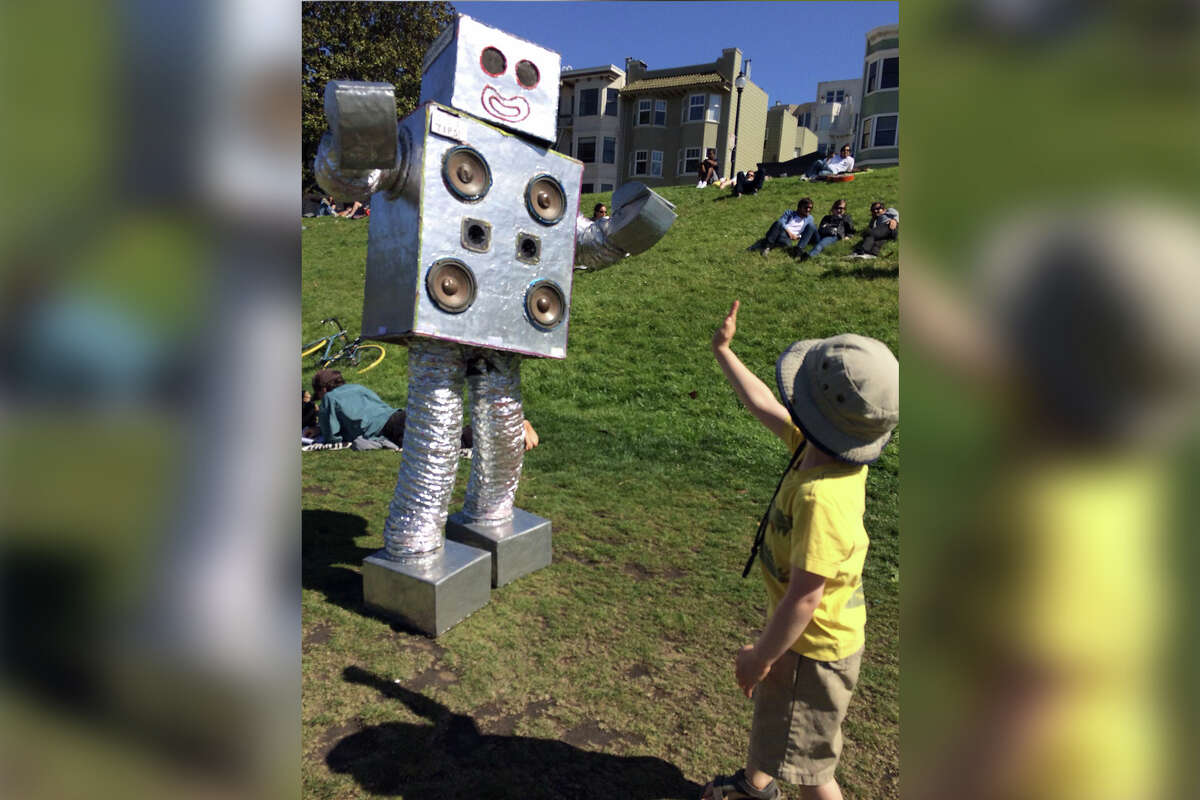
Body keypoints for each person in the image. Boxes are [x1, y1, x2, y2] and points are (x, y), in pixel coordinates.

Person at [705, 300, 899, 800]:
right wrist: (724, 352)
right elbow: (763, 404)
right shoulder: (817, 452)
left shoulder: (821, 497)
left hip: (814, 651)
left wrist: (759, 657)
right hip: (805, 643)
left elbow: (805, 599)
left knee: (812, 770)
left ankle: (759, 783)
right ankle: (755, 785)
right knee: (778, 729)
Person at [311, 369, 537, 450]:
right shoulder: (357, 387)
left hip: (391, 429)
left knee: (448, 443)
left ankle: (512, 429)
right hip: (398, 415)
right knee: (450, 435)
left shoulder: (329, 399)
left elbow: (333, 436)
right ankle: (507, 427)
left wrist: (318, 431)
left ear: (322, 389)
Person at [747, 198, 816, 257]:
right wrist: (790, 233)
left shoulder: (810, 218)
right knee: (778, 223)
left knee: (785, 243)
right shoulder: (789, 213)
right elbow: (781, 222)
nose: (808, 210)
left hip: (787, 239)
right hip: (782, 232)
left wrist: (798, 236)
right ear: (799, 207)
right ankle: (767, 247)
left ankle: (765, 243)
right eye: (806, 207)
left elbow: (808, 231)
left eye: (810, 208)